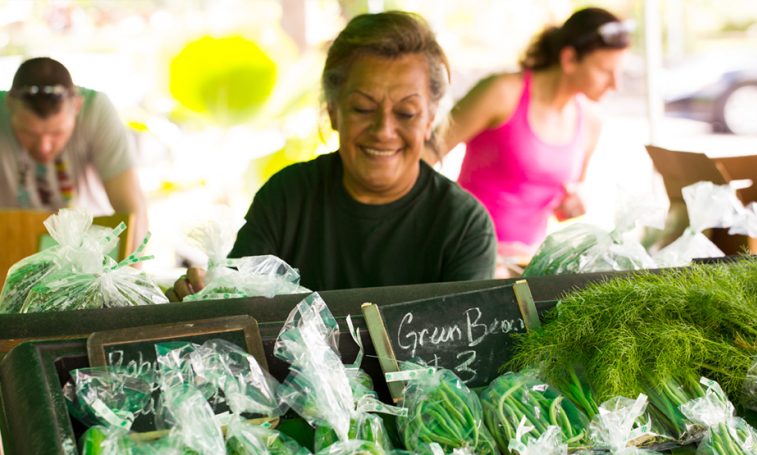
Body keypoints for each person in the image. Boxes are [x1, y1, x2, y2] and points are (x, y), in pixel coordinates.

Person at [169, 10, 496, 298]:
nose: (383, 130)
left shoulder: (464, 225)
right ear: (333, 111)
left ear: (430, 119)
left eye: (406, 112)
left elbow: (464, 354)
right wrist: (203, 296)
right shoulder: (286, 197)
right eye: (363, 108)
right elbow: (235, 304)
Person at [425, 7, 632, 264]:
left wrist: (570, 205)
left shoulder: (592, 121)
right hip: (464, 251)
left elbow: (557, 202)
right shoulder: (501, 92)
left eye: (618, 71)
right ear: (569, 59)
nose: (615, 84)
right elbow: (426, 154)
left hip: (527, 261)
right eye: (604, 70)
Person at [0, 57, 148, 249]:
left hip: (88, 249)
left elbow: (131, 210)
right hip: (10, 243)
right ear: (9, 105)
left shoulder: (96, 109)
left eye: (56, 133)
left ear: (77, 106)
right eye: (29, 133)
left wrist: (128, 274)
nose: (44, 146)